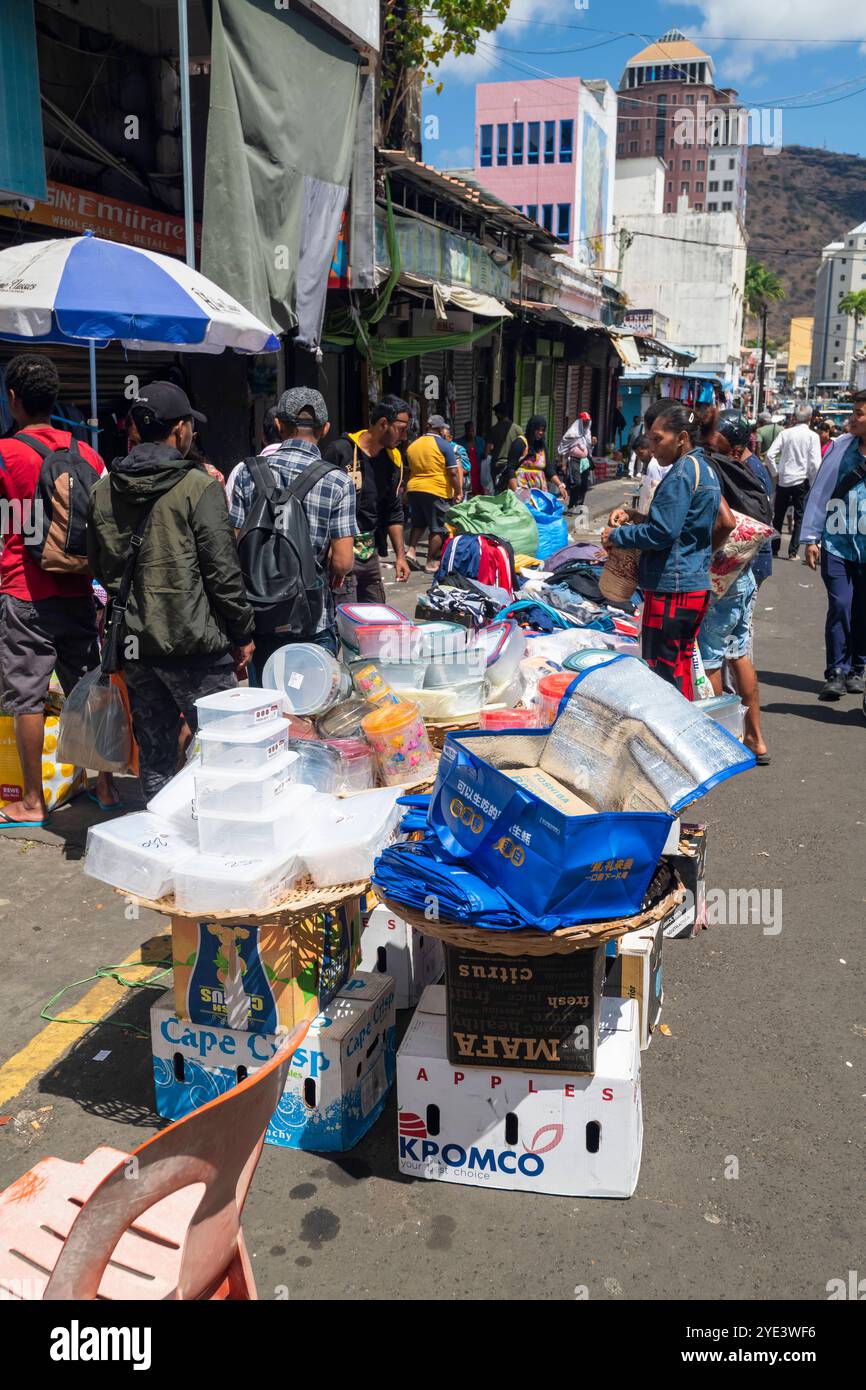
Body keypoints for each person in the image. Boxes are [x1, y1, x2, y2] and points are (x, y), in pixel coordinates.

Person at [87, 381, 255, 801]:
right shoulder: (199, 487)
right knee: (223, 750)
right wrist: (243, 631)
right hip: (195, 643)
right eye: (190, 428)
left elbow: (100, 567)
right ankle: (219, 836)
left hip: (135, 644)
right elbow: (223, 572)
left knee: (156, 752)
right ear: (180, 429)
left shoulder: (103, 490)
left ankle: (161, 831)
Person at [0, 353, 118, 827]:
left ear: (12, 399)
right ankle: (105, 786)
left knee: (26, 694)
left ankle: (32, 799)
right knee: (86, 688)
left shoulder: (7, 453)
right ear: (56, 399)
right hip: (77, 586)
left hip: (23, 588)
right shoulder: (86, 452)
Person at [602, 403, 734, 698]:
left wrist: (618, 535)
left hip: (671, 589)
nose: (651, 447)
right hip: (691, 584)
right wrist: (638, 518)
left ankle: (670, 736)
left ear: (682, 438)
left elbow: (662, 533)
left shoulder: (681, 474)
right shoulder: (705, 468)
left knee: (662, 673)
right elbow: (683, 527)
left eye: (657, 439)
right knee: (679, 666)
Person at [229, 387, 356, 674]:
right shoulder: (338, 481)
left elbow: (232, 548)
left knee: (267, 713)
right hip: (311, 619)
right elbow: (343, 562)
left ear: (277, 425)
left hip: (259, 617)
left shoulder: (247, 471)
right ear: (325, 428)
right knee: (311, 707)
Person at [698, 411, 770, 763]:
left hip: (722, 581)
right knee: (738, 654)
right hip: (744, 577)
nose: (709, 437)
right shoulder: (750, 470)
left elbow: (723, 521)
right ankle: (755, 739)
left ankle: (720, 743)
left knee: (710, 659)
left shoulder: (714, 469)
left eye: (716, 433)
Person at [801, 389, 866, 702]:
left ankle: (858, 668)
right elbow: (820, 493)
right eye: (853, 412)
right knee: (840, 604)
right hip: (837, 542)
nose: (852, 418)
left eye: (859, 413)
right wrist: (811, 538)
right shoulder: (841, 448)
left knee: (863, 610)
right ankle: (836, 672)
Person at [323, 395, 410, 598]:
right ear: (383, 424)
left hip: (369, 555)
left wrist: (400, 556)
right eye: (402, 429)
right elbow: (321, 504)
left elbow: (393, 511)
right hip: (341, 553)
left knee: (377, 621)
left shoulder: (391, 462)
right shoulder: (341, 452)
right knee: (347, 619)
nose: (405, 437)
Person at [404, 414, 463, 573]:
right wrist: (458, 491)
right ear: (440, 428)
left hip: (414, 489)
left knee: (418, 523)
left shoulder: (413, 445)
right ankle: (430, 562)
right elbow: (452, 473)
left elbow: (407, 472)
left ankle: (411, 551)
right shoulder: (444, 445)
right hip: (436, 490)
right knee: (437, 528)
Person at [766, 405, 821, 560]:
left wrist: (776, 473)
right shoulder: (812, 436)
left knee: (778, 516)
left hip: (784, 480)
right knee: (799, 517)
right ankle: (792, 552)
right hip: (801, 481)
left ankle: (774, 548)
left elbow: (770, 455)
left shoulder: (786, 433)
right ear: (810, 419)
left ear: (795, 417)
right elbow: (815, 464)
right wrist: (813, 481)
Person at [498, 416, 568, 502]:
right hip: (521, 489)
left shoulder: (542, 446)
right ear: (531, 429)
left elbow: (548, 469)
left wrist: (560, 485)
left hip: (539, 492)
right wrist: (516, 492)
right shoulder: (520, 443)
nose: (540, 432)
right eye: (538, 430)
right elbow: (510, 469)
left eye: (543, 430)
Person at [483, 402, 521, 489]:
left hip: (498, 466)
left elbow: (486, 452)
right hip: (514, 466)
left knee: (499, 492)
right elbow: (524, 446)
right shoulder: (517, 429)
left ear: (499, 414)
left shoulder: (493, 430)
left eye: (496, 414)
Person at [635, 437, 668, 513]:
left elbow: (654, 491)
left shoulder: (652, 465)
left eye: (641, 454)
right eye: (637, 455)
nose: (640, 458)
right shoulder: (655, 461)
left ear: (650, 449)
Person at [457, 420, 486, 497]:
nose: (471, 433)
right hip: (467, 471)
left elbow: (485, 455)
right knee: (468, 491)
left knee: (479, 491)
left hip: (478, 471)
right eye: (468, 431)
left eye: (472, 431)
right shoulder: (459, 442)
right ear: (465, 431)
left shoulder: (481, 441)